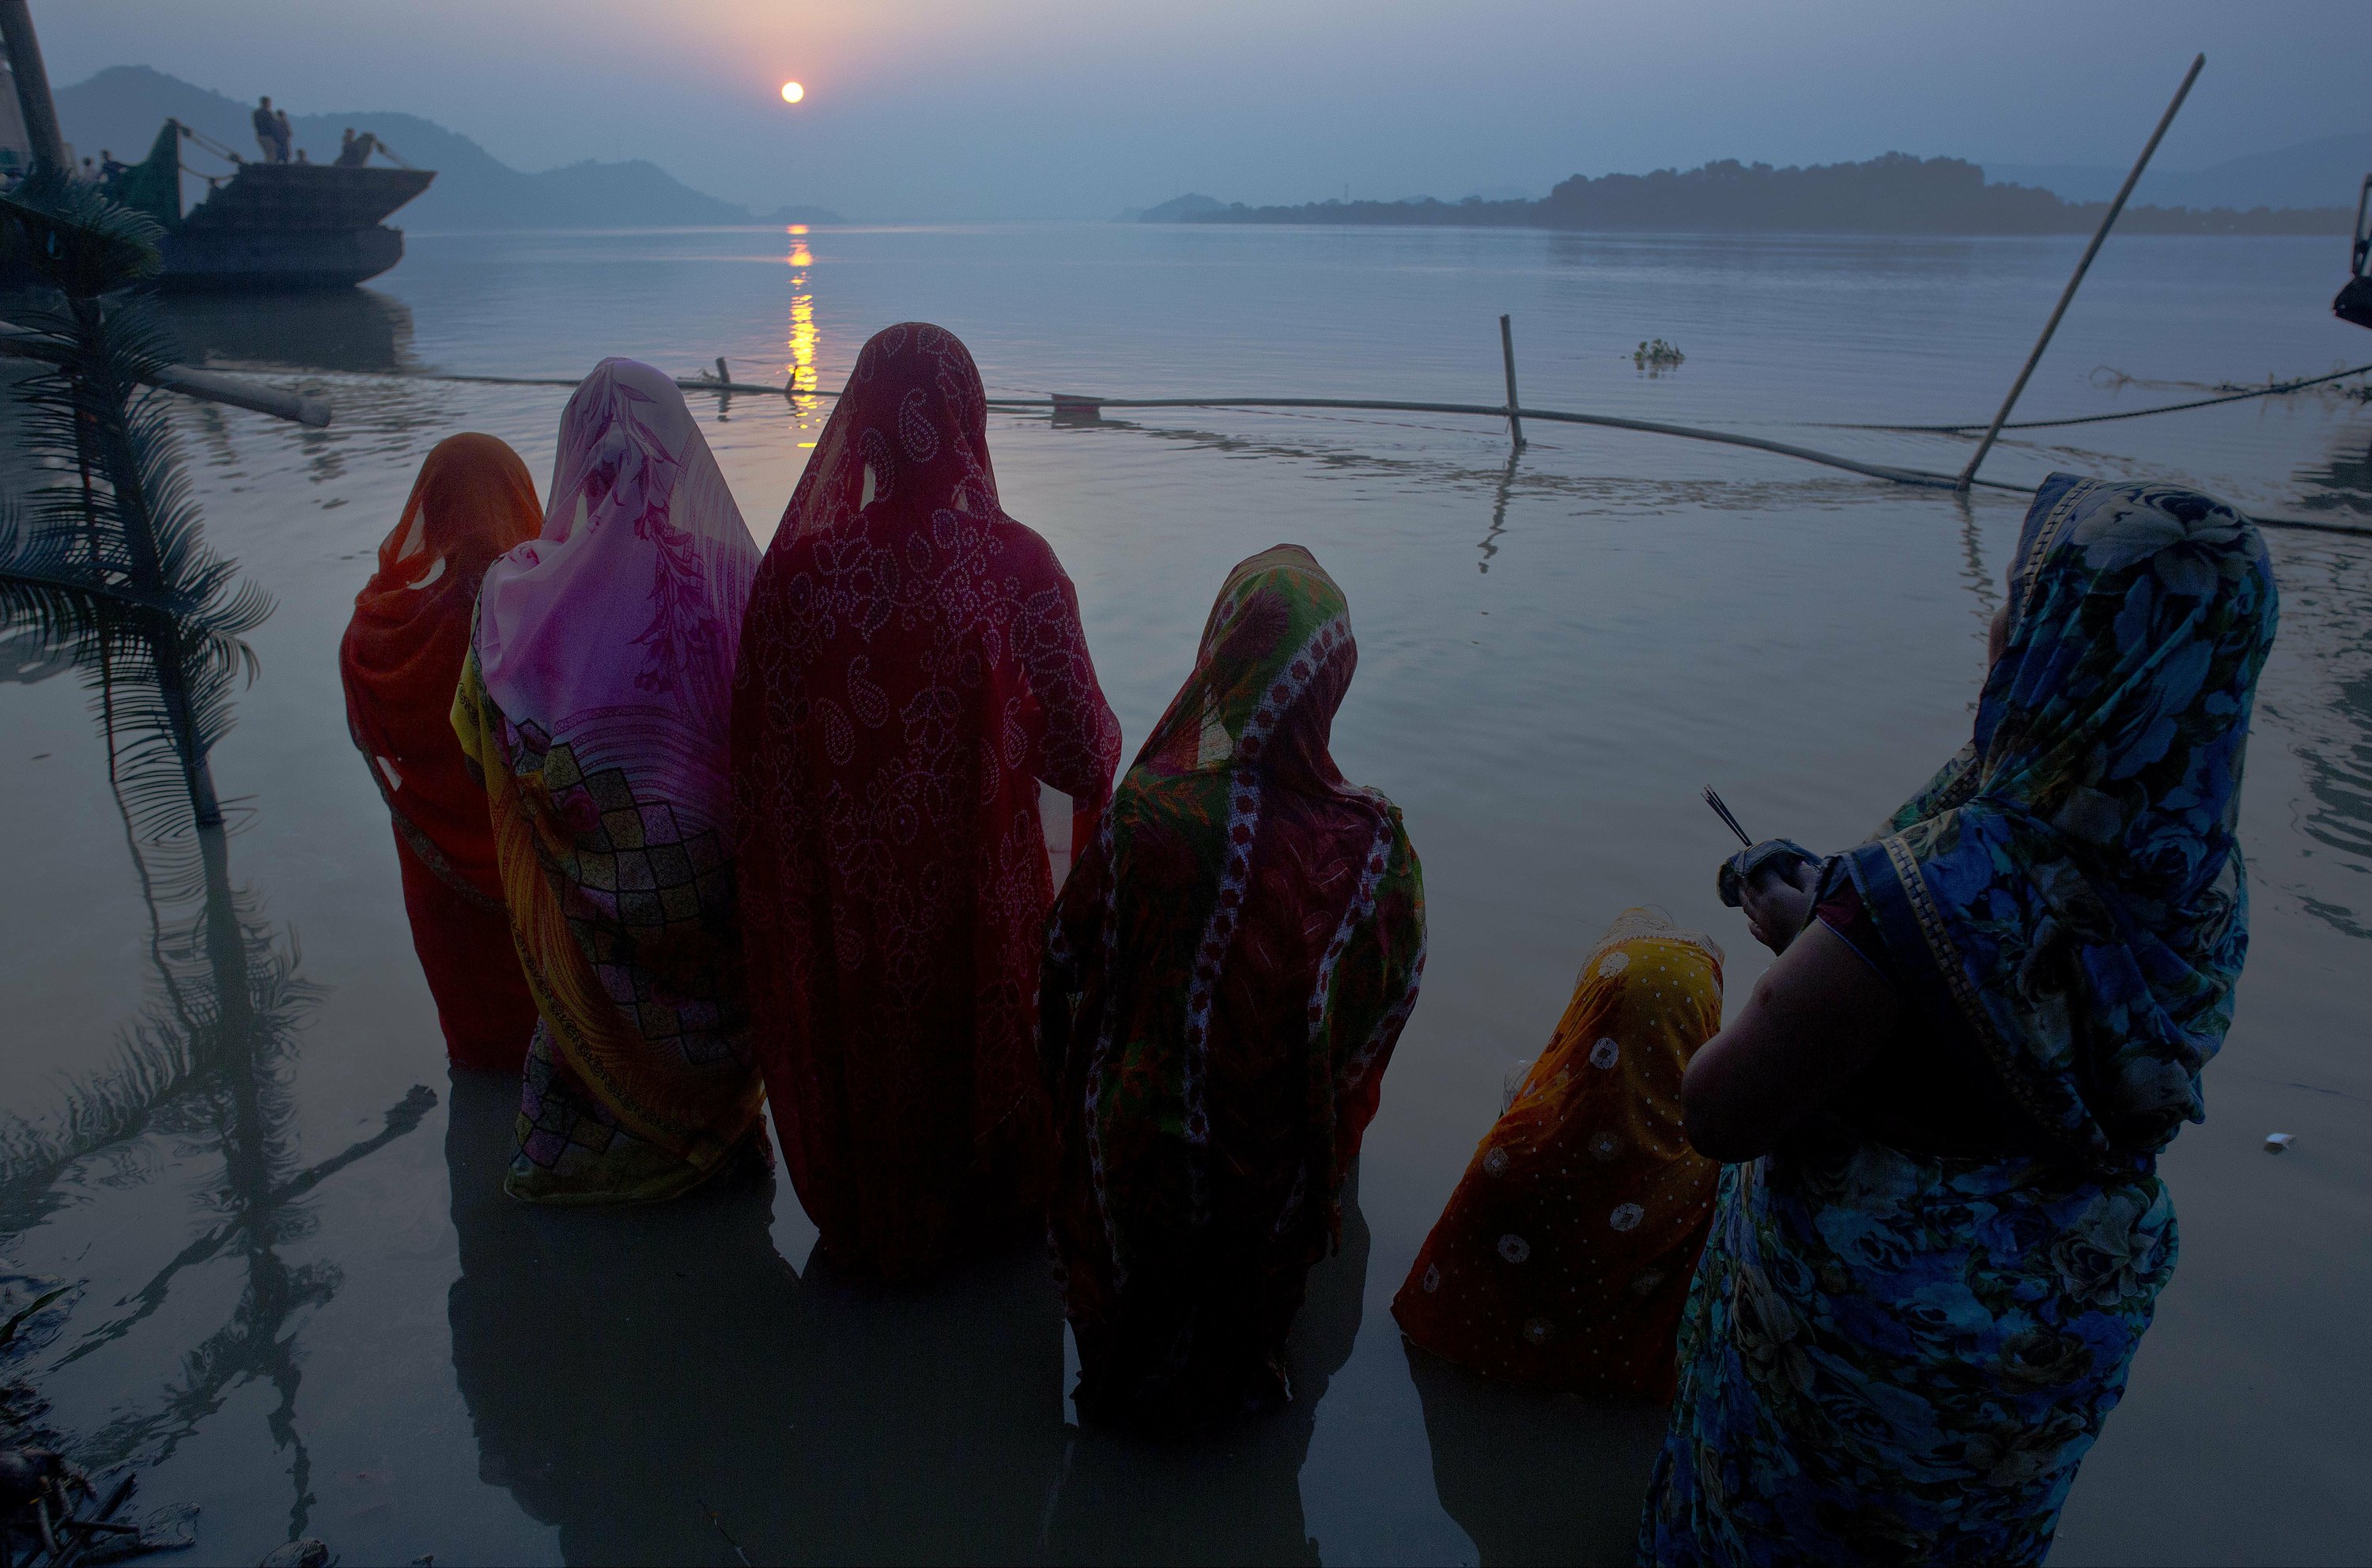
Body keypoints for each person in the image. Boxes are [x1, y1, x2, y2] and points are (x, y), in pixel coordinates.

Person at [1643, 473, 2279, 1566]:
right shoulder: (2198, 879)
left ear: (2069, 640)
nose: (1997, 622)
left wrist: (1826, 932)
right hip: (2054, 1327)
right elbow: (2001, 1017)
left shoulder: (1950, 881)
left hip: (1876, 1337)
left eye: (2027, 600)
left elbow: (1720, 1107)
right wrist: (1839, 915)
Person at [731, 321, 1122, 1280]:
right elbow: (1085, 754)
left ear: (862, 426)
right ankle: (985, 1232)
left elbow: (760, 766)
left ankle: (878, 1226)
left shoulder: (793, 580)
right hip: (979, 915)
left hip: (853, 922)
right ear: (966, 416)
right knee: (984, 1053)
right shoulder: (1017, 567)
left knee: (877, 1064)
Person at [1041, 543, 1426, 1428]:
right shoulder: (1372, 845)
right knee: (1236, 1347)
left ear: (1217, 656)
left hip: (1132, 1141)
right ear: (1333, 681)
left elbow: (1064, 964)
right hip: (1269, 1156)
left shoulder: (1149, 812)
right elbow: (1384, 1003)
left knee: (1123, 1352)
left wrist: (1066, 1099)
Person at [453, 358, 767, 1203]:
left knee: (586, 1034)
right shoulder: (738, 576)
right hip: (711, 898)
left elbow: (478, 740)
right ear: (682, 455)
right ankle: (715, 1137)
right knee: (716, 1041)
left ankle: (595, 1170)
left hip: (591, 913)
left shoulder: (516, 591)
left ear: (575, 459)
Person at [1392, 908, 1721, 1402]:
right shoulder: (1721, 1173)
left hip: (1487, 1365)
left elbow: (1451, 1285)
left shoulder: (1515, 1150)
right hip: (1624, 1388)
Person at [340, 434, 545, 1073]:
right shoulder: (549, 615)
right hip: (542, 884)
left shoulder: (383, 631)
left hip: (442, 892)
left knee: (479, 1062)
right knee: (565, 1056)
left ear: (430, 508)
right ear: (520, 499)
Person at [252, 96, 282, 163]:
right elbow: (273, 126)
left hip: (260, 135)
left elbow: (255, 125)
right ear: (267, 103)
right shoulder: (268, 113)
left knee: (268, 154)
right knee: (272, 154)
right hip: (267, 136)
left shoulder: (256, 113)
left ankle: (267, 166)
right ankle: (269, 169)